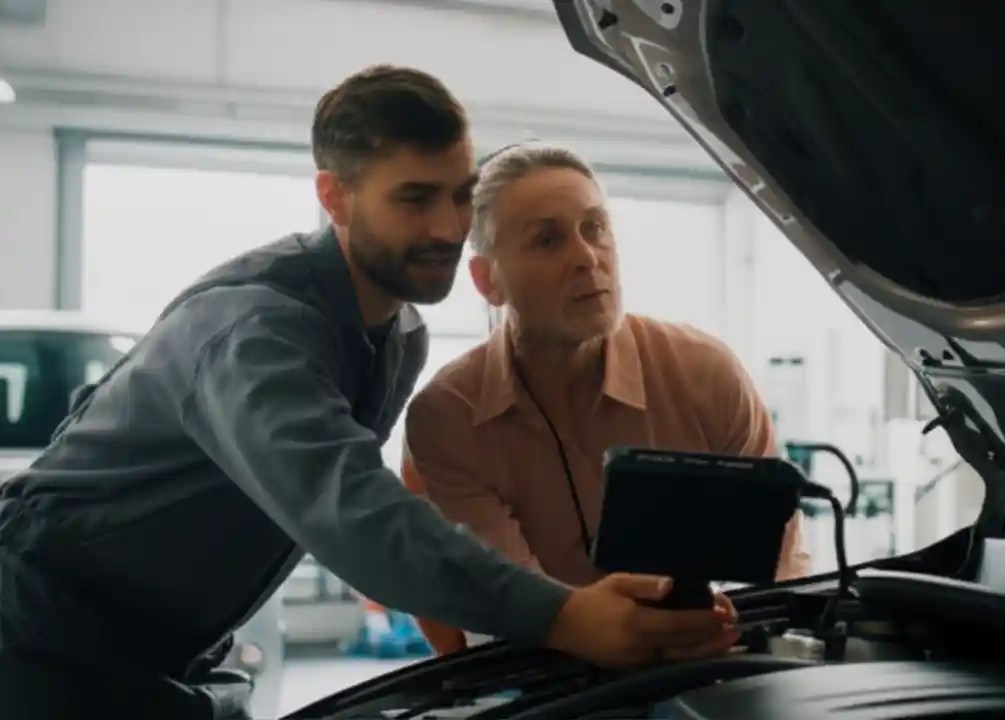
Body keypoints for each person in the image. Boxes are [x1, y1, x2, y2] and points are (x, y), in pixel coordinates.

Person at [0, 66, 738, 719]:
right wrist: (563, 615)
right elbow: (350, 511)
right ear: (336, 196)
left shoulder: (400, 335)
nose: (449, 227)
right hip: (39, 638)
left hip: (174, 650)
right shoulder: (253, 332)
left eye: (461, 195)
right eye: (415, 198)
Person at [401, 142, 810, 655]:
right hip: (548, 677)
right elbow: (509, 610)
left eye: (594, 228)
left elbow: (778, 573)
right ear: (489, 281)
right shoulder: (449, 417)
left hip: (718, 662)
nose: (586, 257)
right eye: (548, 240)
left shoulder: (707, 375)